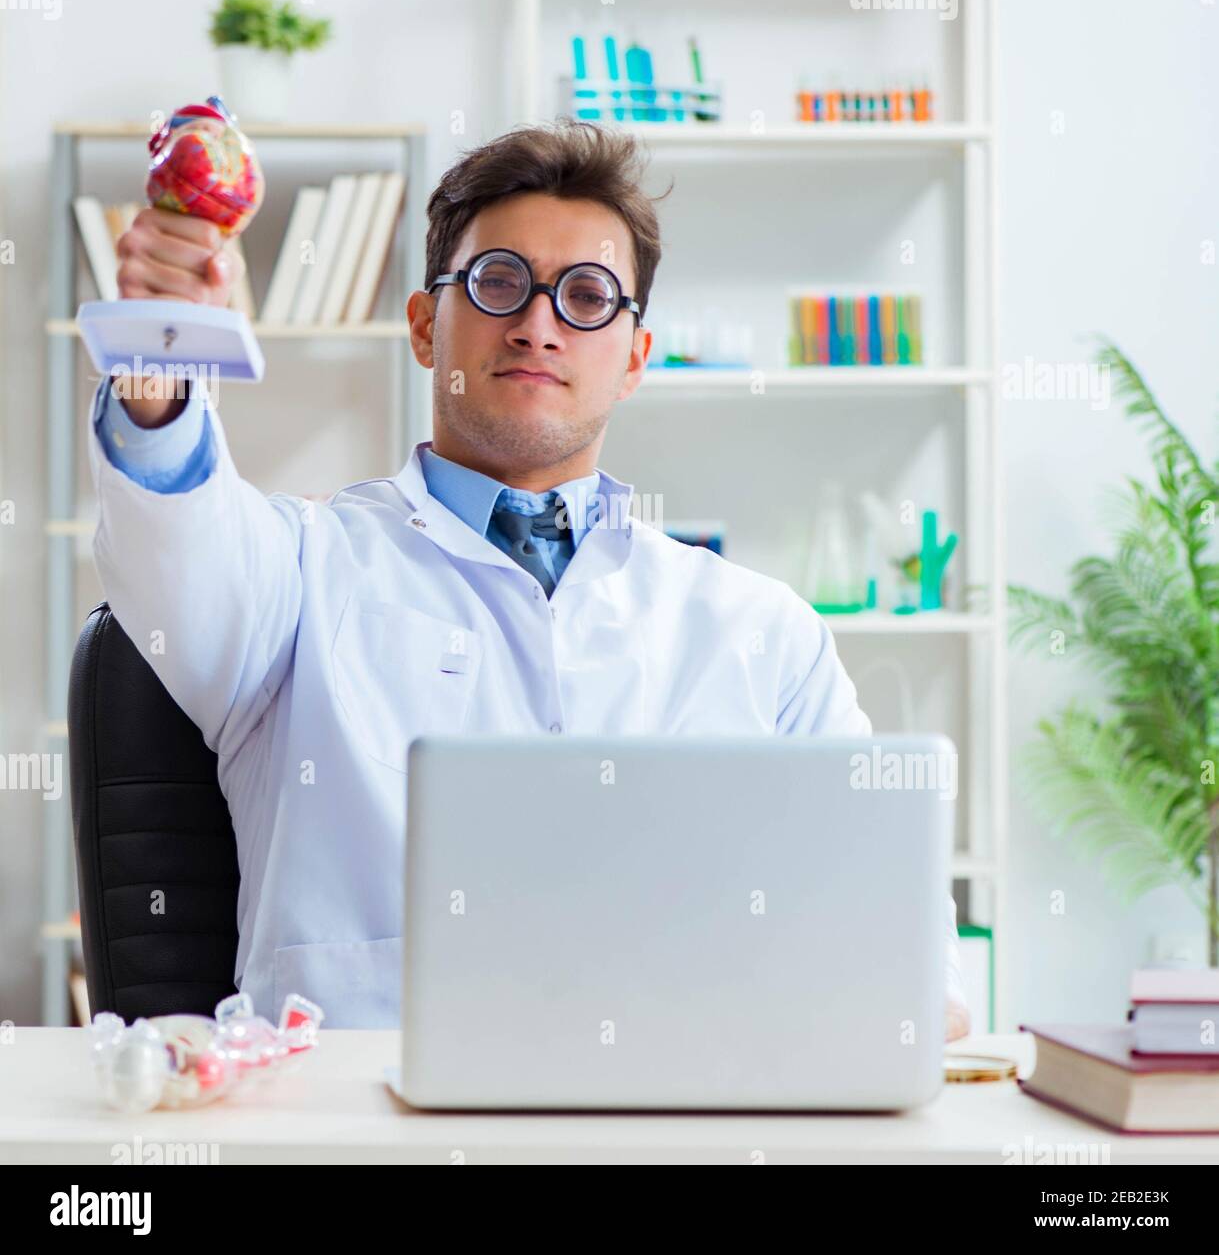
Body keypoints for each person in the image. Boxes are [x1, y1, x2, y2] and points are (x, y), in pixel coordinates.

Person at [96, 119, 971, 1039]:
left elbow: (899, 929)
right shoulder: (295, 567)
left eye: (587, 295)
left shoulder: (763, 631)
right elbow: (176, 540)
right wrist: (164, 359)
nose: (538, 323)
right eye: (499, 280)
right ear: (427, 326)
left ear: (635, 358)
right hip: (360, 1134)